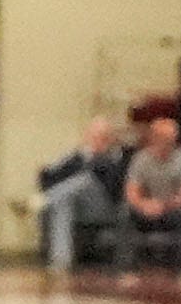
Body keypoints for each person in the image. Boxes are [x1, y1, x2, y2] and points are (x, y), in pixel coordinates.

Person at [34, 115, 128, 273]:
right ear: (87, 136)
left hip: (106, 208)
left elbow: (116, 188)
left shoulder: (117, 158)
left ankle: (42, 201)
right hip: (78, 208)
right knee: (63, 202)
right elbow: (47, 177)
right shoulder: (76, 156)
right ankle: (61, 262)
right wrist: (43, 171)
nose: (98, 140)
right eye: (94, 136)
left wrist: (97, 161)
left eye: (103, 136)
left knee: (85, 180)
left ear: (110, 138)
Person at [119, 116, 181, 268]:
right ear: (153, 138)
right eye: (162, 138)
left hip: (175, 208)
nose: (166, 142)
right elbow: (131, 190)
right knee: (124, 211)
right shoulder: (140, 159)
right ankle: (126, 265)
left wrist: (164, 205)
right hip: (147, 207)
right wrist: (143, 204)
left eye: (170, 138)